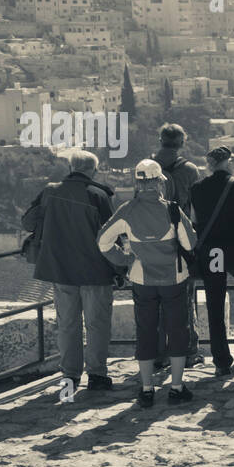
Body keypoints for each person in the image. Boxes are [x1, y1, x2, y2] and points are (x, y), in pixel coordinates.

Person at [97, 159, 198, 407]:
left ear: (138, 183)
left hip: (142, 278)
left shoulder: (127, 210)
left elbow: (102, 242)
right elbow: (190, 244)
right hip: (174, 278)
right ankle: (176, 387)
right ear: (159, 182)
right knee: (177, 331)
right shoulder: (172, 210)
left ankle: (146, 389)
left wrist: (125, 259)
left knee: (145, 331)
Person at [20, 149, 118, 392]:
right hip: (95, 271)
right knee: (97, 324)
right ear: (93, 170)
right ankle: (97, 374)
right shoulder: (99, 195)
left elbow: (27, 223)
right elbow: (111, 238)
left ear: (72, 168)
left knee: (68, 324)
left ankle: (70, 377)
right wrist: (119, 270)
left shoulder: (51, 191)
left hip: (61, 269)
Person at [191, 146, 234, 377]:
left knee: (215, 302)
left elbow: (194, 221)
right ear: (228, 162)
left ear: (208, 164)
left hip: (213, 252)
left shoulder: (197, 189)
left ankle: (221, 359)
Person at [154, 123, 202, 369]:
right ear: (182, 142)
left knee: (154, 300)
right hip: (181, 241)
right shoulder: (190, 170)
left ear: (160, 140)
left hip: (151, 241)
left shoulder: (146, 168)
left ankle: (158, 354)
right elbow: (198, 207)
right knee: (184, 298)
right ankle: (188, 351)